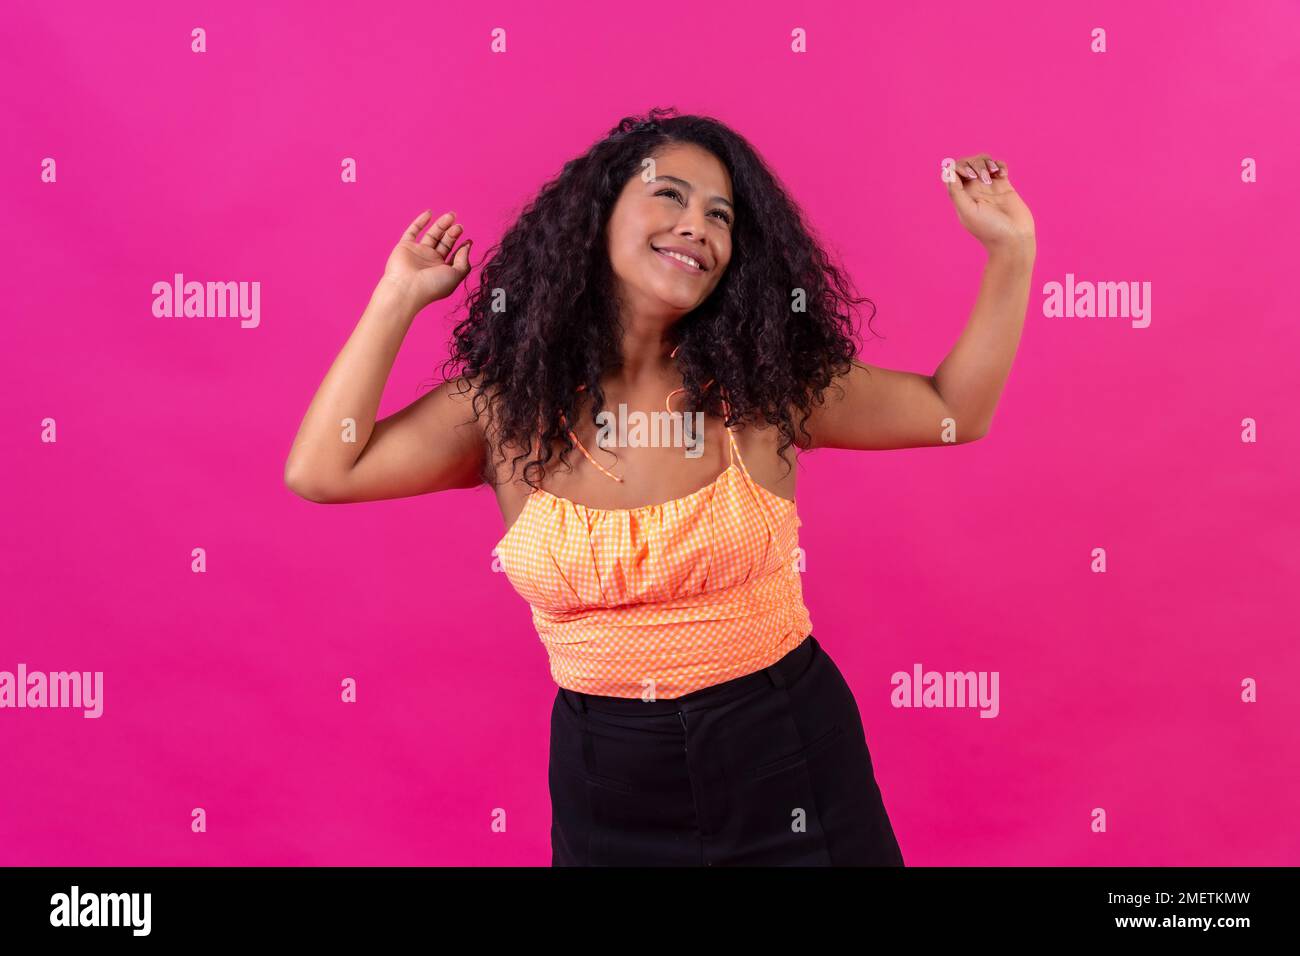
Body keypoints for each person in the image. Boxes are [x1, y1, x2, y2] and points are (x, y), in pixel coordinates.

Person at [284, 108, 1036, 866]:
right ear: (598, 213)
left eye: (720, 215)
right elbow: (323, 469)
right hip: (606, 781)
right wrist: (396, 298)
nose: (696, 226)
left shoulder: (765, 390)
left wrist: (1012, 252)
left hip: (788, 755)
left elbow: (953, 411)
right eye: (668, 195)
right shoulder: (504, 411)